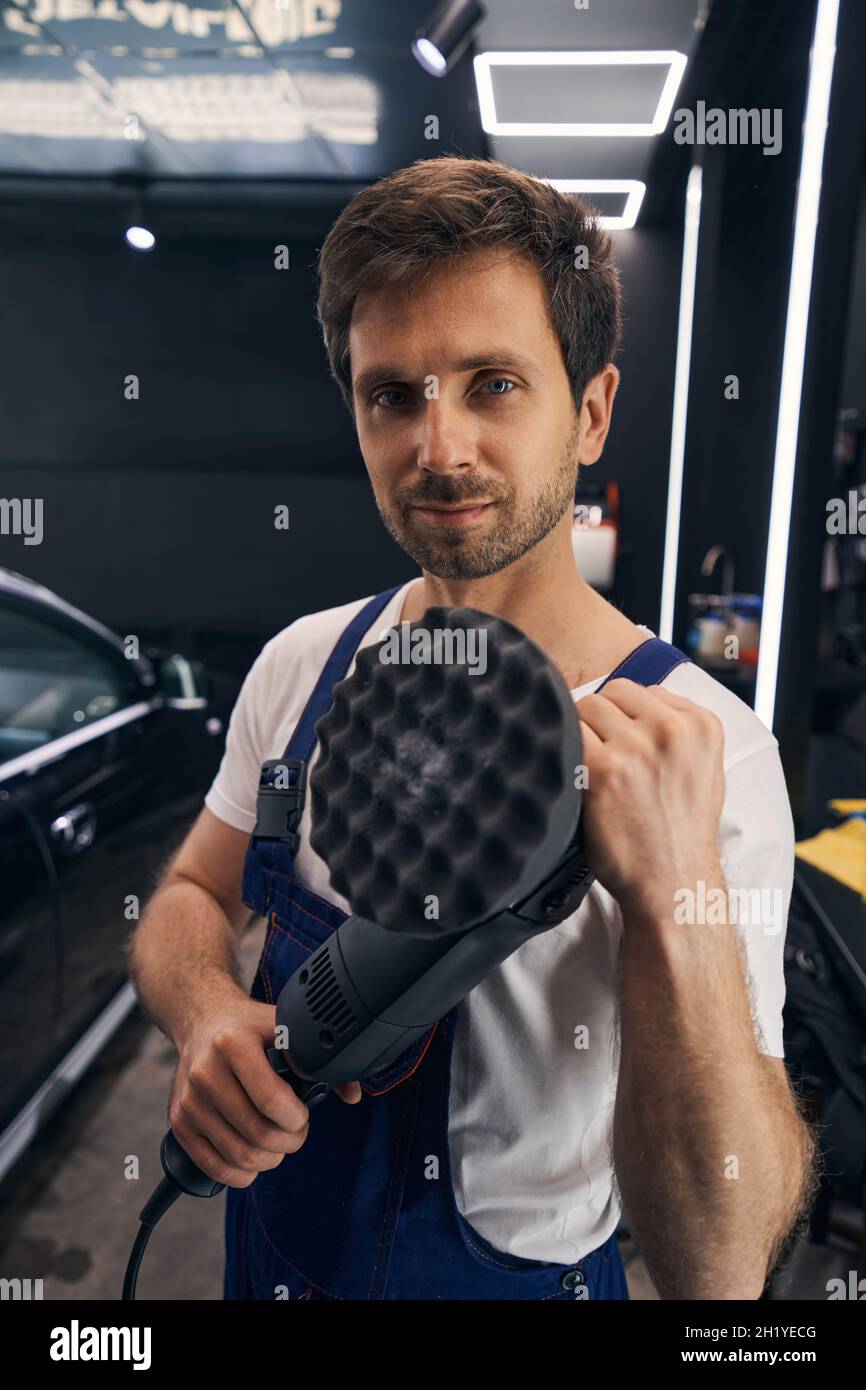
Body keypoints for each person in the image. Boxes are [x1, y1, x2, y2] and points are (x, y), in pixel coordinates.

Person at [129, 156, 816, 1301]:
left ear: (589, 411)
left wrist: (670, 884)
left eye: (492, 384)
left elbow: (718, 1267)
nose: (437, 450)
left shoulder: (708, 748)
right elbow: (191, 898)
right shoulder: (303, 665)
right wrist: (204, 1015)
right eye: (391, 394)